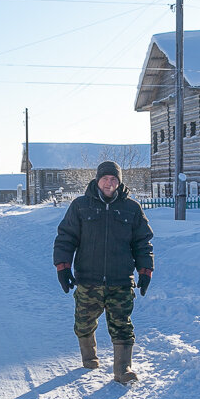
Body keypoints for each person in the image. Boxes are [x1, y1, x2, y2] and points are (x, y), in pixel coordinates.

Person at [53, 160, 154, 383]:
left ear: (119, 182)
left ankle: (122, 369)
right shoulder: (80, 206)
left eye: (113, 179)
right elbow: (65, 238)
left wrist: (145, 271)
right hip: (89, 279)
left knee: (122, 324)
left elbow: (143, 242)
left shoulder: (132, 208)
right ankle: (89, 357)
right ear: (97, 180)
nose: (109, 183)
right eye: (105, 179)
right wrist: (63, 267)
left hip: (120, 280)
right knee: (84, 322)